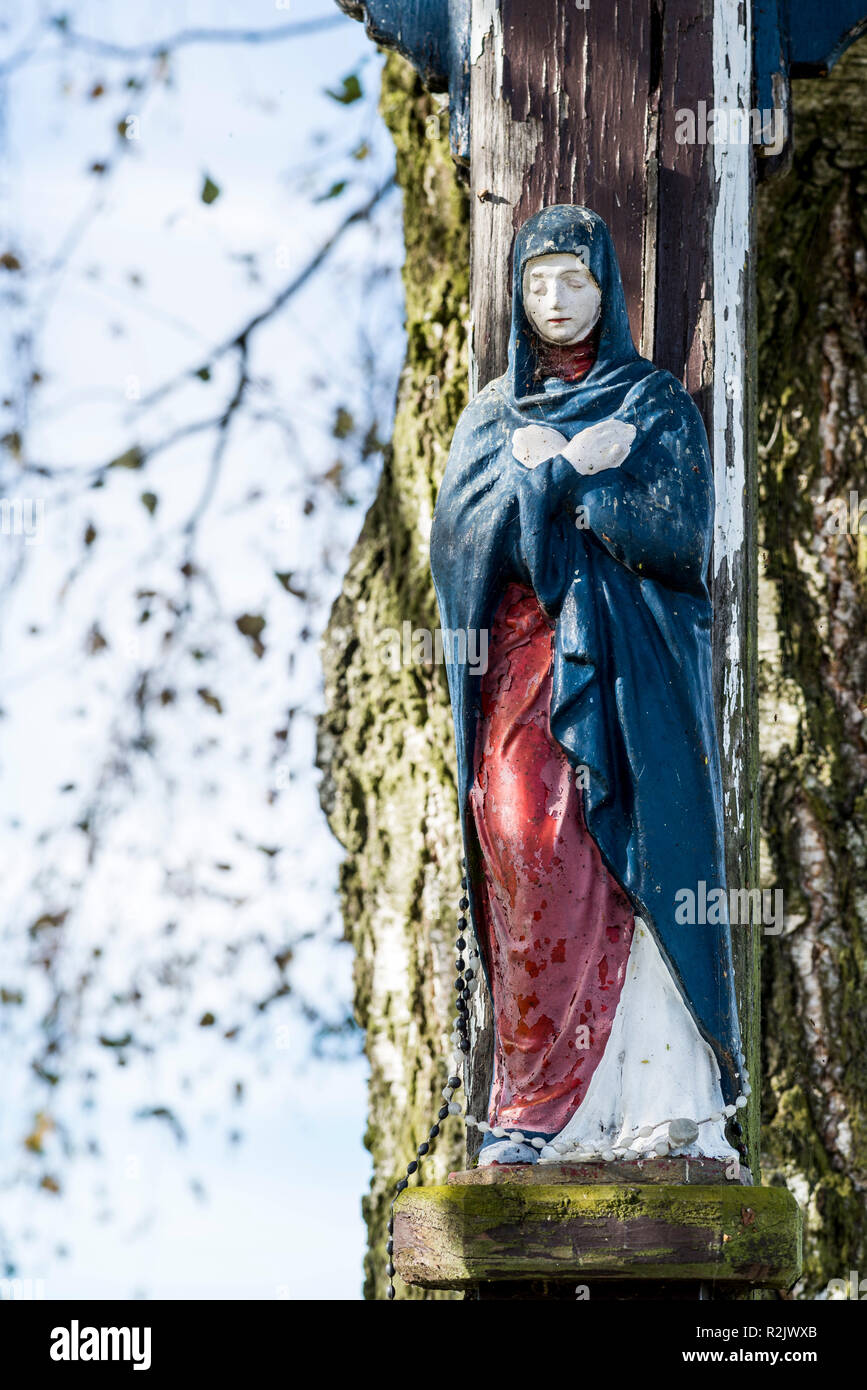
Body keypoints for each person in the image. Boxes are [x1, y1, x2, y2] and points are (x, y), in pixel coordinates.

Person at [430, 205, 748, 1167]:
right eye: (537, 283)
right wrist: (552, 477)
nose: (556, 300)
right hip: (524, 684)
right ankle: (538, 1107)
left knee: (645, 858)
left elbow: (678, 538)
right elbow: (460, 550)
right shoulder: (493, 415)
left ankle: (664, 1103)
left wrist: (578, 483)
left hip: (633, 681)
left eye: (574, 280)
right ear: (517, 297)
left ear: (605, 289)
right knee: (530, 853)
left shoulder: (652, 405)